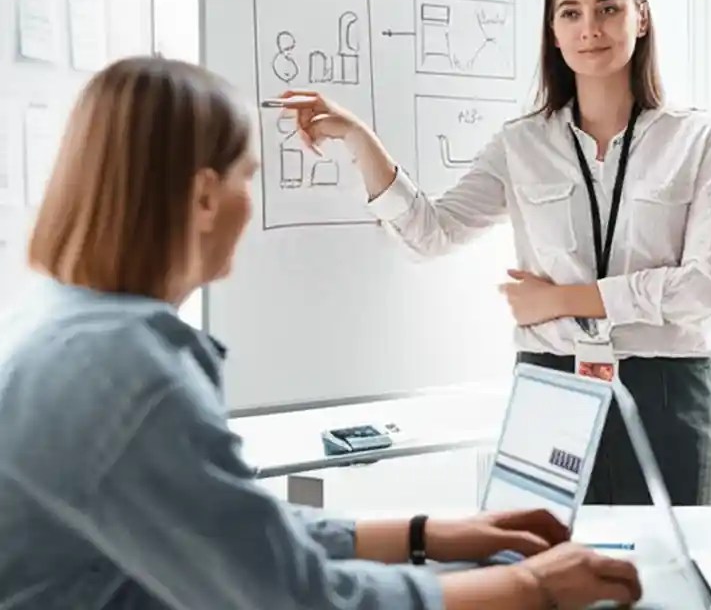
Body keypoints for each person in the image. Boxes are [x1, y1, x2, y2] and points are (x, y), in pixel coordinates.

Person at [0, 57, 643, 610]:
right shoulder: (128, 370)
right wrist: (531, 587)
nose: (249, 202)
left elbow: (230, 524)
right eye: (247, 178)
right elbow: (296, 598)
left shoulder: (66, 323)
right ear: (203, 197)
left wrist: (428, 533)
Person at [280, 0, 711, 507]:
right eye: (570, 12)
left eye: (609, 8)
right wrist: (358, 138)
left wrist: (565, 299)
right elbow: (431, 232)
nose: (590, 28)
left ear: (641, 16)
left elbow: (705, 292)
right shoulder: (521, 144)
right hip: (552, 386)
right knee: (542, 570)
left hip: (667, 388)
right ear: (553, 30)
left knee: (671, 579)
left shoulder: (698, 139)